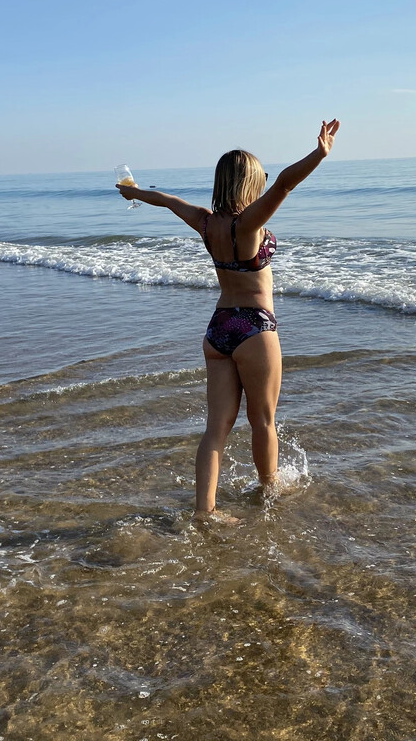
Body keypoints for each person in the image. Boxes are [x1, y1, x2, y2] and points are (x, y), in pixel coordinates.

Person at [117, 120, 339, 521]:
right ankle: (269, 490)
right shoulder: (248, 224)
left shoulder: (206, 222)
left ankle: (205, 510)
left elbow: (166, 199)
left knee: (215, 430)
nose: (266, 182)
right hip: (254, 328)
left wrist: (133, 193)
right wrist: (319, 154)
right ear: (248, 183)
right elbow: (286, 184)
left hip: (219, 329)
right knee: (263, 422)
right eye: (261, 178)